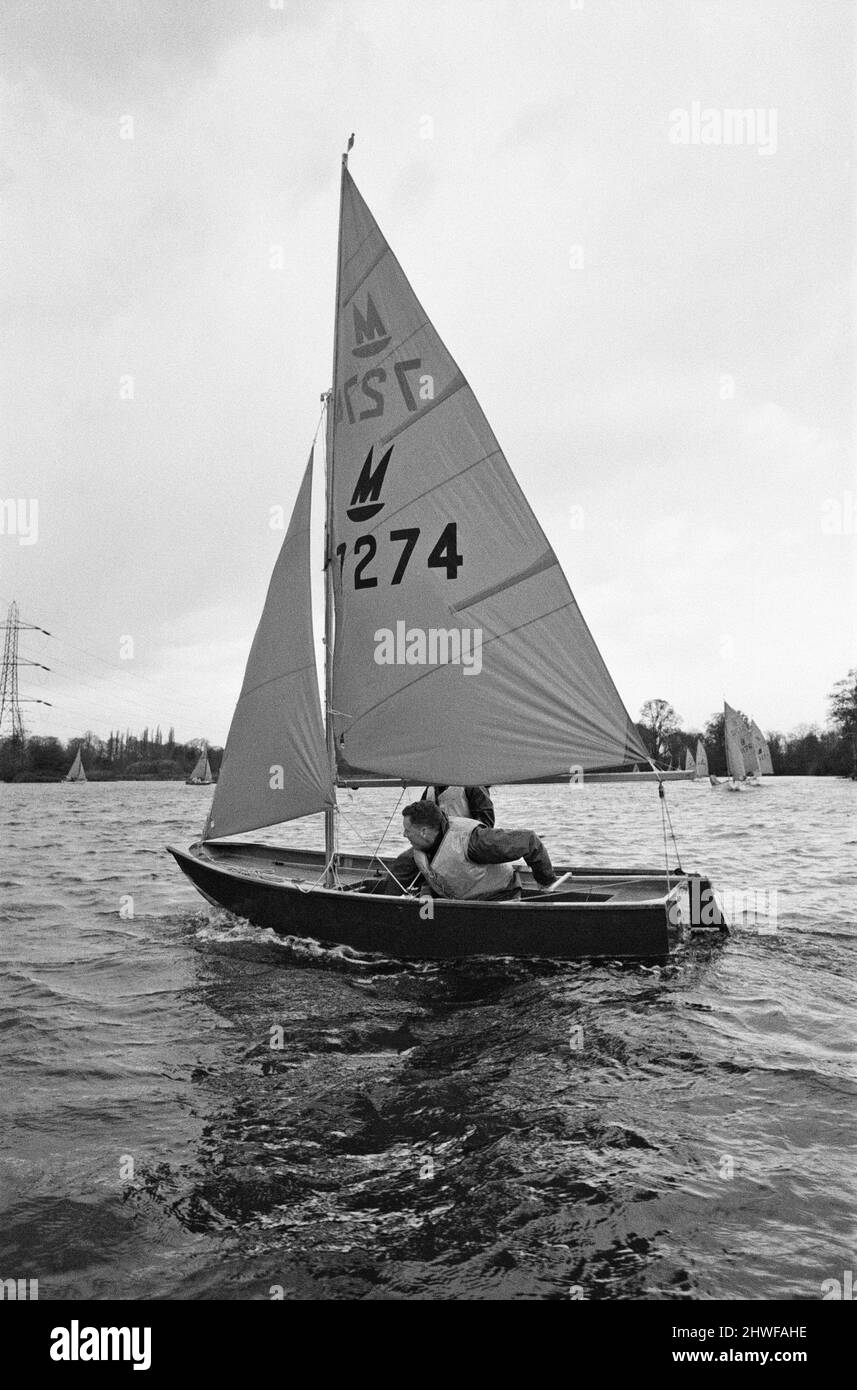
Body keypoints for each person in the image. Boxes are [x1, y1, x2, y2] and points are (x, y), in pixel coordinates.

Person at [380, 800, 559, 900]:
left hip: (499, 898)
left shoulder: (475, 842)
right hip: (462, 903)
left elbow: (529, 841)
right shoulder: (418, 850)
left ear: (424, 831)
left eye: (407, 830)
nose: (404, 835)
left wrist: (545, 881)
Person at [420, 784, 495, 827]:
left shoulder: (473, 785)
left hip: (466, 846)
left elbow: (486, 824)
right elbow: (419, 820)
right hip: (436, 847)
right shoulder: (429, 789)